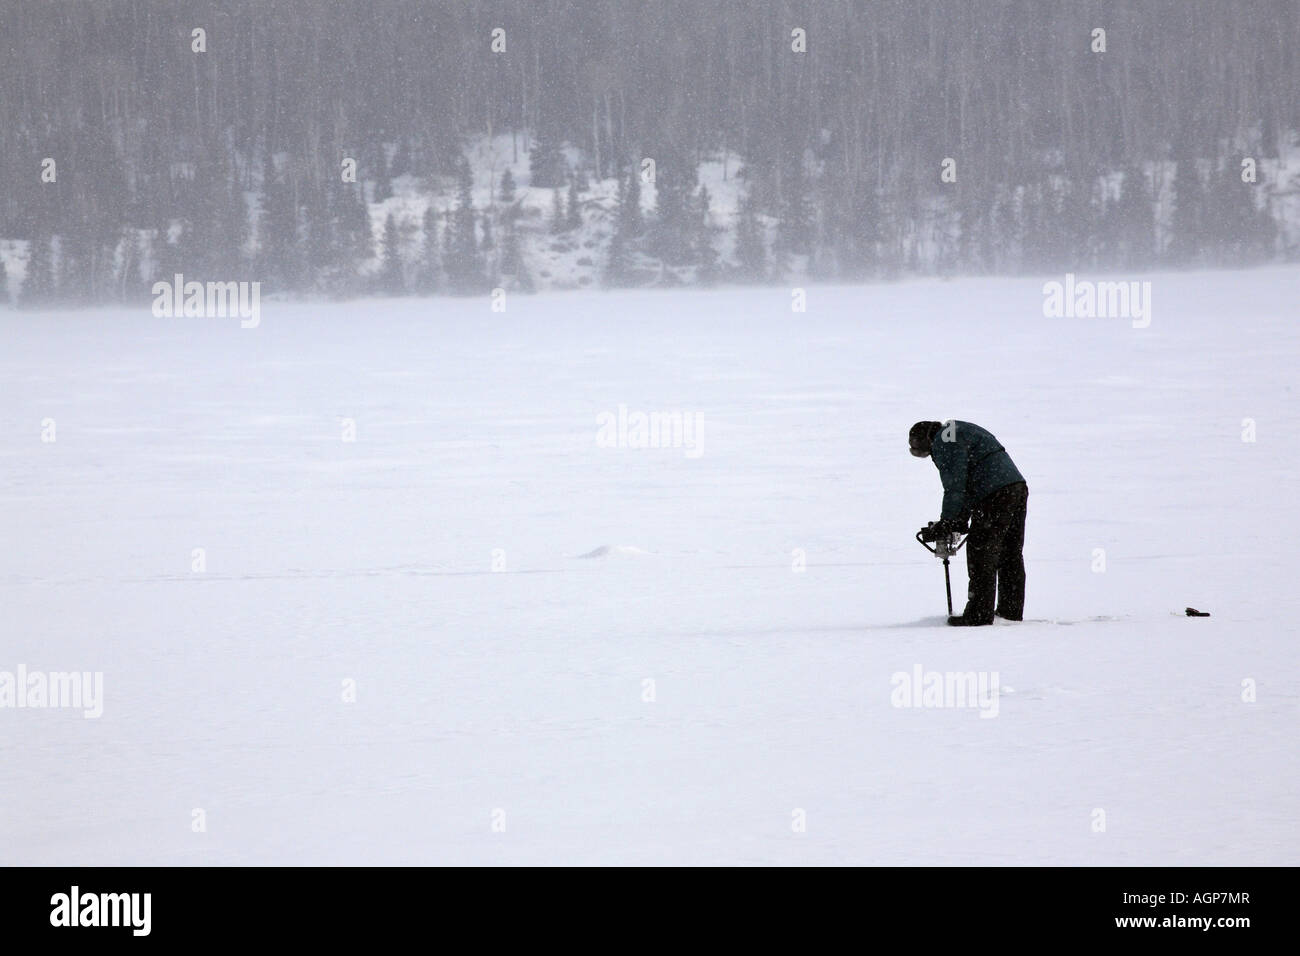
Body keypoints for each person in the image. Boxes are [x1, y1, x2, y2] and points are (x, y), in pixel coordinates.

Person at [909, 420, 1028, 626]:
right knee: (1010, 553)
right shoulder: (956, 430)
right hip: (1015, 487)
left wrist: (948, 521)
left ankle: (979, 614)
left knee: (981, 552)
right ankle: (1010, 612)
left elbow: (955, 486)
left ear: (927, 440)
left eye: (924, 452)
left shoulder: (944, 440)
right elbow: (966, 481)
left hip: (993, 493)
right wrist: (959, 521)